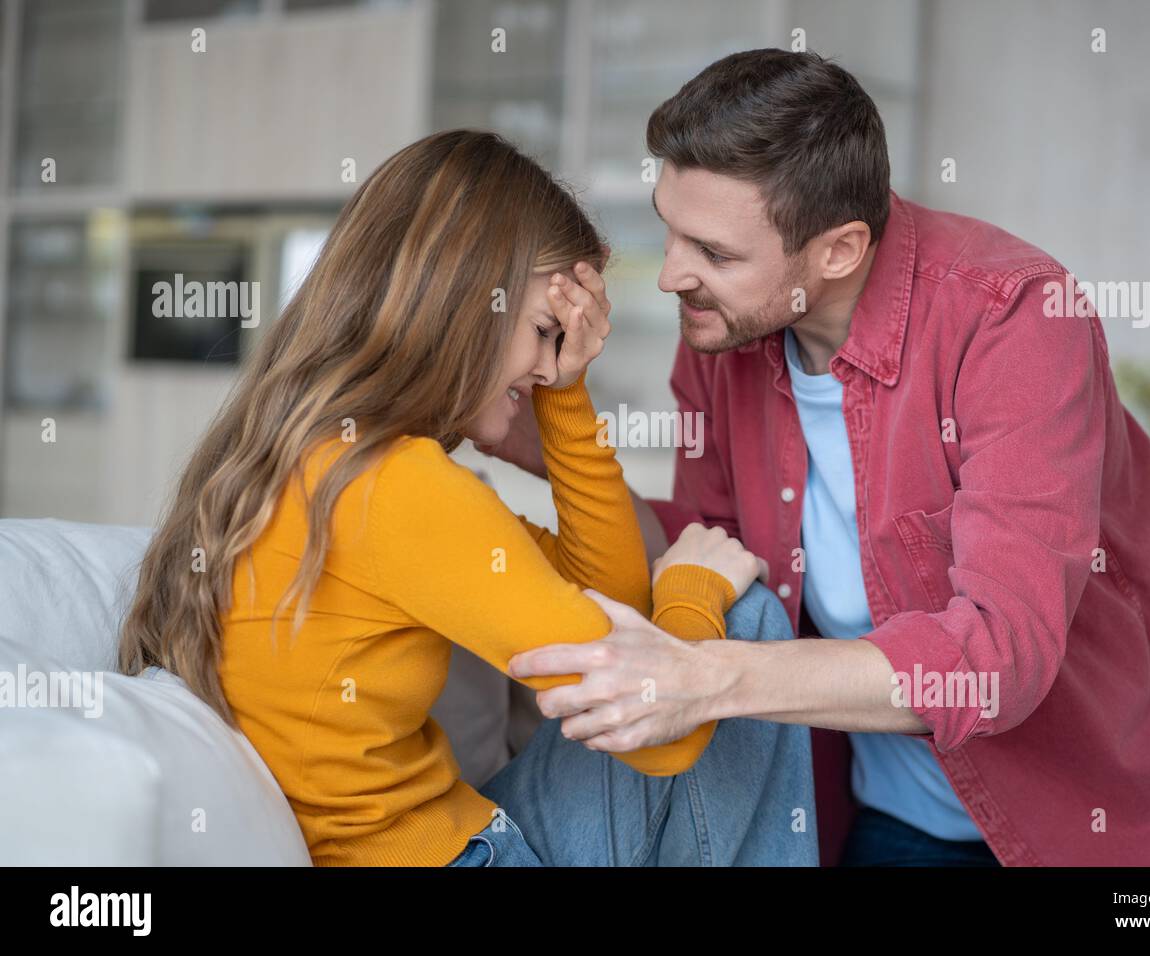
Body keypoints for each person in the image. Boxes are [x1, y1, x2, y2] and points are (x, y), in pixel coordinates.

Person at [480, 49, 1150, 866]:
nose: (669, 276)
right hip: (904, 820)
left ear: (838, 251)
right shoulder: (726, 333)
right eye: (668, 228)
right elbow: (716, 547)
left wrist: (707, 679)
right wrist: (540, 446)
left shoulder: (1013, 318)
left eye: (714, 253)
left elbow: (997, 660)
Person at [116, 129, 818, 867]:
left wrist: (567, 398)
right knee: (745, 618)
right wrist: (693, 588)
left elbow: (613, 600)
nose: (550, 371)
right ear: (466, 304)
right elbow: (662, 735)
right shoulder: (398, 486)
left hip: (449, 840)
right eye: (547, 333)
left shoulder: (310, 454)